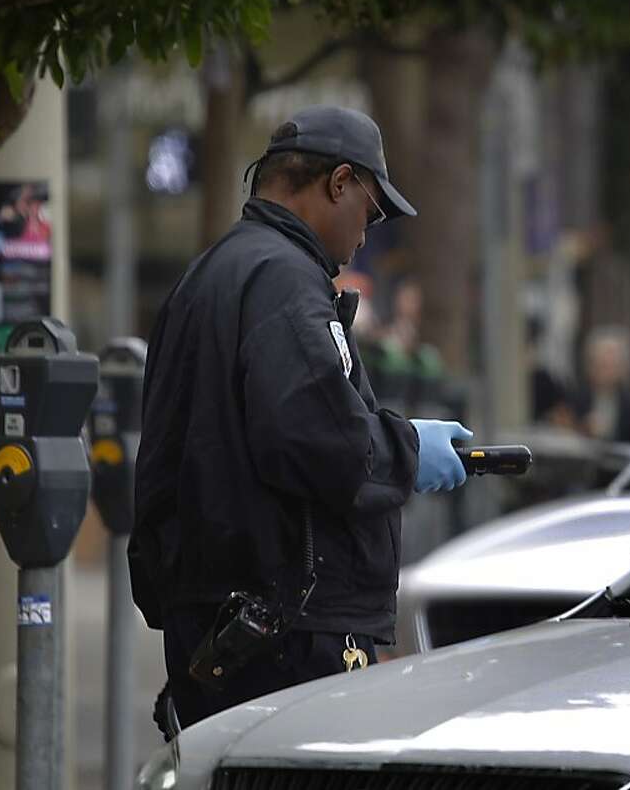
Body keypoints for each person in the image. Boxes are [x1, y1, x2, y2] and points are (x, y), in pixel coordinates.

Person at [130, 105, 471, 729]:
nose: (366, 234)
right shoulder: (288, 280)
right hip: (290, 625)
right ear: (338, 182)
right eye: (370, 210)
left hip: (215, 622)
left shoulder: (205, 275)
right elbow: (317, 439)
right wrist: (408, 451)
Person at [572, 325, 630, 445]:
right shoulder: (577, 397)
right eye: (602, 364)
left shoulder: (629, 403)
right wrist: (583, 429)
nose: (606, 372)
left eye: (612, 365)